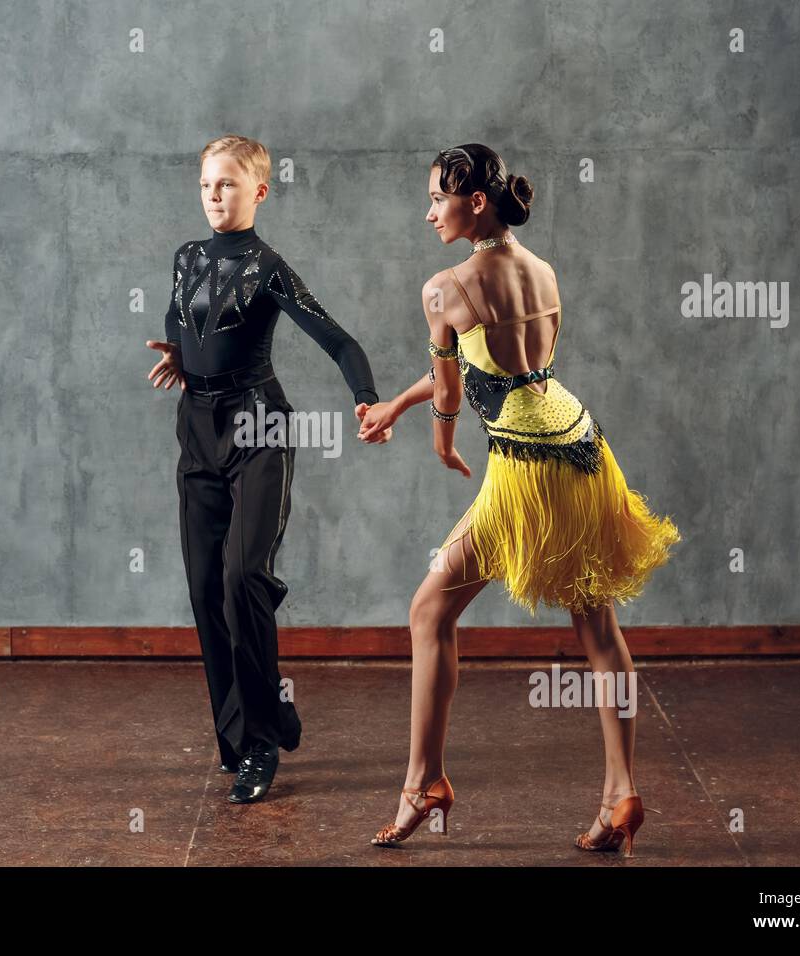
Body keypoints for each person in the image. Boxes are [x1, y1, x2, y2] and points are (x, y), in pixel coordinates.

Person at [358, 144, 681, 854]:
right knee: (598, 632)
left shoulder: (444, 286)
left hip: (525, 468)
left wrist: (441, 440)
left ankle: (425, 783)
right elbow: (503, 368)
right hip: (584, 447)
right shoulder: (543, 271)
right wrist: (399, 406)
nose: (428, 212)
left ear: (475, 200)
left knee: (428, 612)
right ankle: (621, 794)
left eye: (438, 198)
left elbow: (457, 390)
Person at [145, 135, 389, 804]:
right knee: (204, 589)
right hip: (198, 429)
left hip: (259, 428)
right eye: (205, 185)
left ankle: (261, 745)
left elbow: (338, 339)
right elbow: (180, 313)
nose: (214, 196)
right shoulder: (187, 257)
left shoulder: (267, 265)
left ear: (258, 191)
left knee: (242, 576)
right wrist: (177, 350)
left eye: (227, 184)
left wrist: (367, 398)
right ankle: (258, 719)